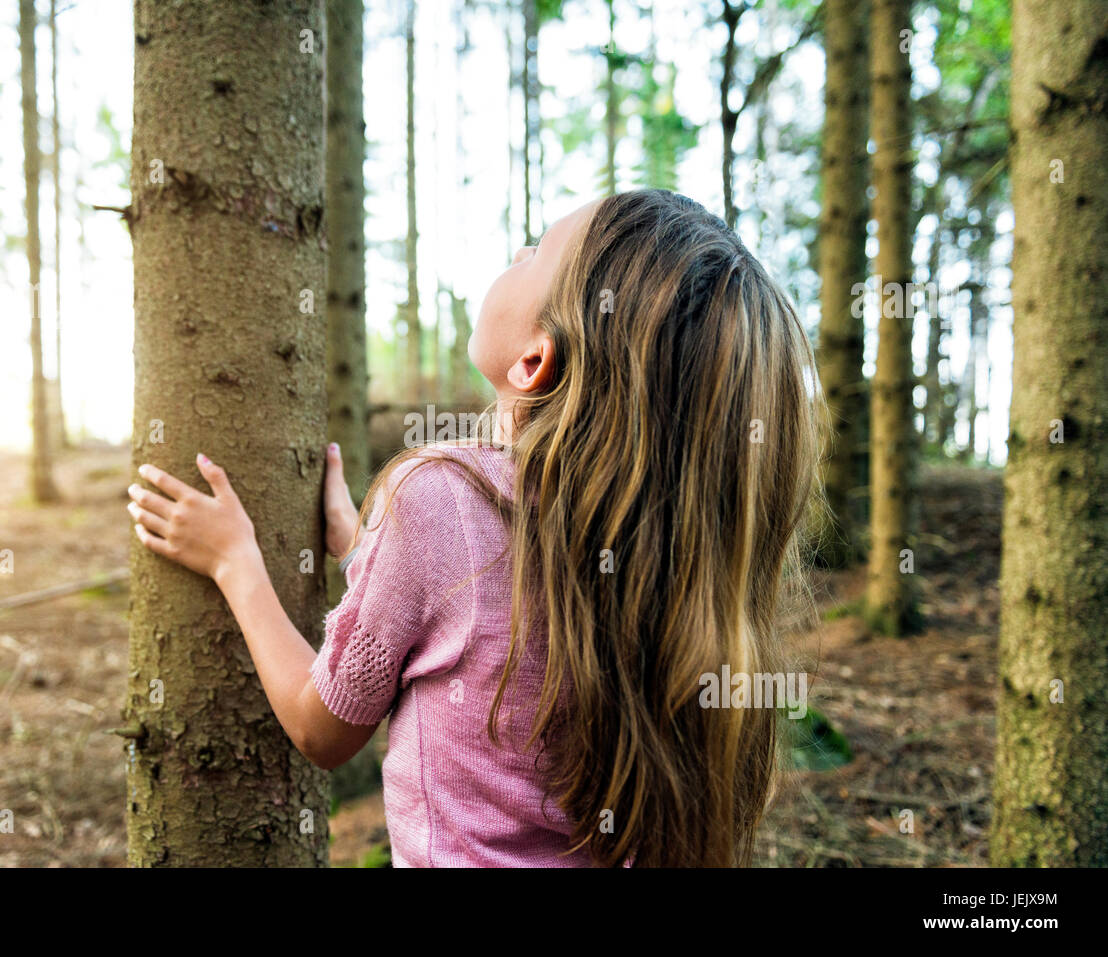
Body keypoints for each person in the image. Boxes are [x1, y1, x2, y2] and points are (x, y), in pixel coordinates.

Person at [127, 188, 822, 866]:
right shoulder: (661, 564)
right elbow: (492, 598)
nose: (519, 248)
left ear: (534, 359)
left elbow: (322, 726)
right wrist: (366, 549)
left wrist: (235, 562)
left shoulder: (434, 494)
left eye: (536, 253)